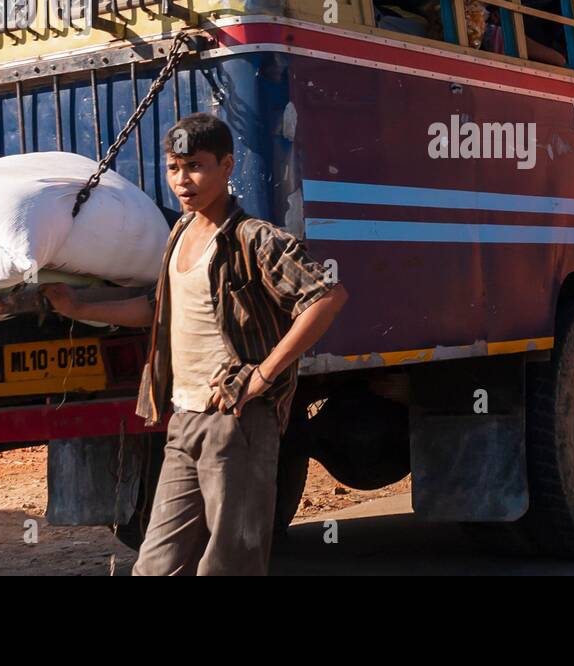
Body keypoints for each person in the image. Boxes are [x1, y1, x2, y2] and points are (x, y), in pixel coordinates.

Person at [43, 113, 348, 576]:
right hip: (182, 420)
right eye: (173, 167)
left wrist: (264, 375)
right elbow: (155, 309)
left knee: (229, 565)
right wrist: (78, 307)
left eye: (196, 166)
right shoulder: (180, 234)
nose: (182, 181)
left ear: (226, 167)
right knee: (155, 566)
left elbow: (326, 296)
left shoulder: (255, 239)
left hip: (236, 421)